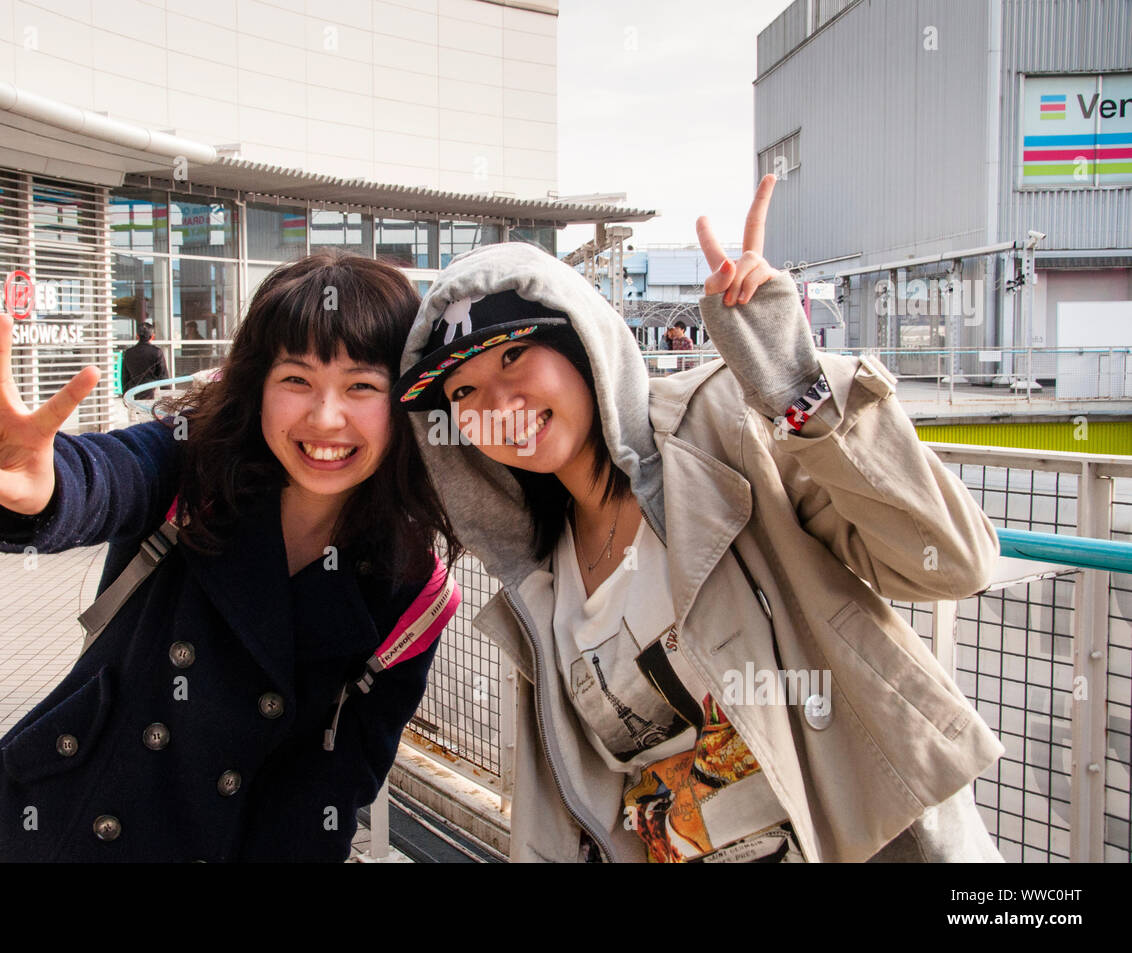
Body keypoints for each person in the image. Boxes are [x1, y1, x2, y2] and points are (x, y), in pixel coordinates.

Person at [392, 175, 1005, 863]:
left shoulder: (719, 432)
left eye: (513, 356)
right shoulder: (540, 578)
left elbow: (953, 559)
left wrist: (795, 382)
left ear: (581, 345)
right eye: (465, 390)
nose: (497, 401)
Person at [0, 250, 462, 862]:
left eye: (362, 386)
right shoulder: (193, 463)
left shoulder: (413, 585)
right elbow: (108, 475)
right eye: (296, 379)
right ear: (257, 383)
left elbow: (339, 778)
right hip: (78, 823)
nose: (325, 417)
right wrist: (39, 489)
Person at [121, 321, 168, 403]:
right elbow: (163, 376)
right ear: (152, 337)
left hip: (133, 394)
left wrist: (125, 395)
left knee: (135, 415)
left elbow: (125, 377)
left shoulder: (128, 353)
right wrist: (167, 398)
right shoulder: (157, 352)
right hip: (151, 394)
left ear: (137, 336)